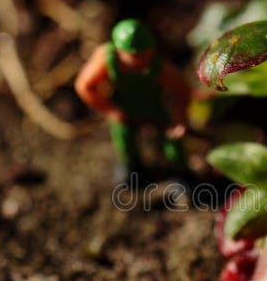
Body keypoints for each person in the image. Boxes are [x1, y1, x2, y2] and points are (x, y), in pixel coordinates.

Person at [75, 18, 191, 183]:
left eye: (146, 53)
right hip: (123, 108)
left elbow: (181, 89)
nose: (142, 59)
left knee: (172, 141)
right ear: (119, 50)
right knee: (124, 139)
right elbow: (84, 86)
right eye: (135, 55)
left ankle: (181, 174)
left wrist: (179, 118)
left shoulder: (156, 65)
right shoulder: (106, 59)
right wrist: (110, 110)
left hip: (153, 106)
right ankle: (131, 168)